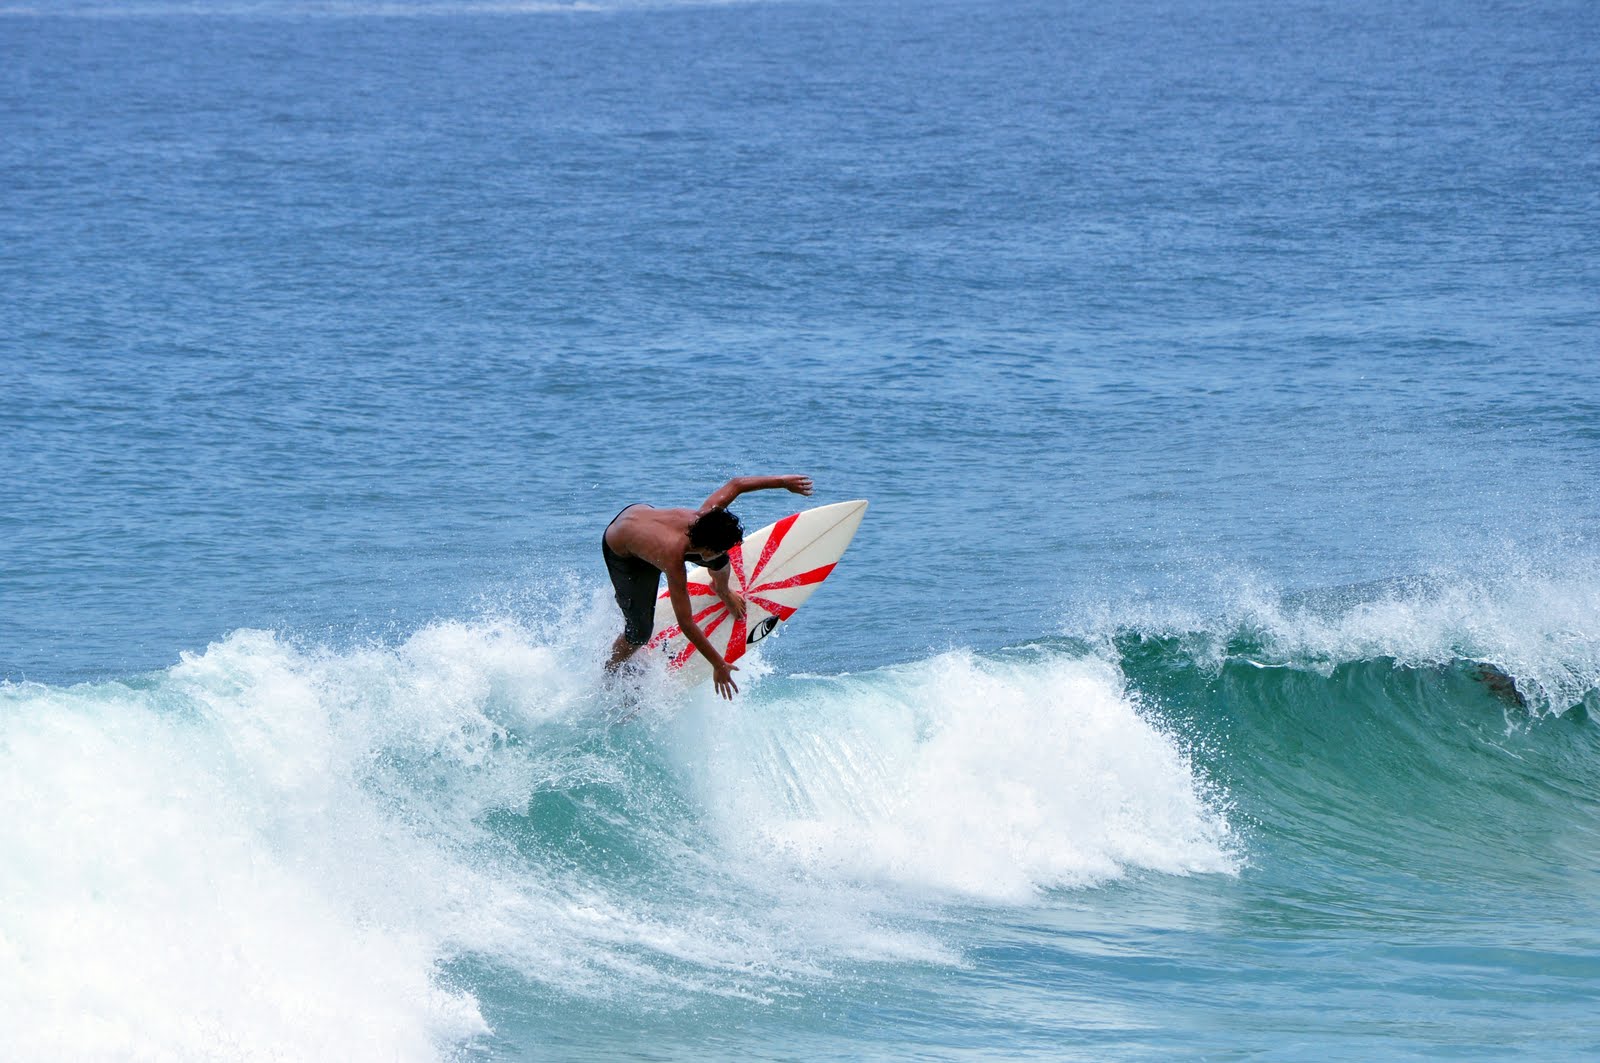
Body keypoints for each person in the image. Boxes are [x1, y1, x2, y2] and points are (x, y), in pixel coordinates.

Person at [602, 475, 814, 699]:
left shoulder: (704, 518)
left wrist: (783, 483)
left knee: (719, 561)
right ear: (704, 547)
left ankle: (721, 589)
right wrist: (718, 664)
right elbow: (686, 622)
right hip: (622, 550)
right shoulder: (672, 559)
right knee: (640, 632)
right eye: (720, 548)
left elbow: (737, 484)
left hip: (640, 517)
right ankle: (610, 668)